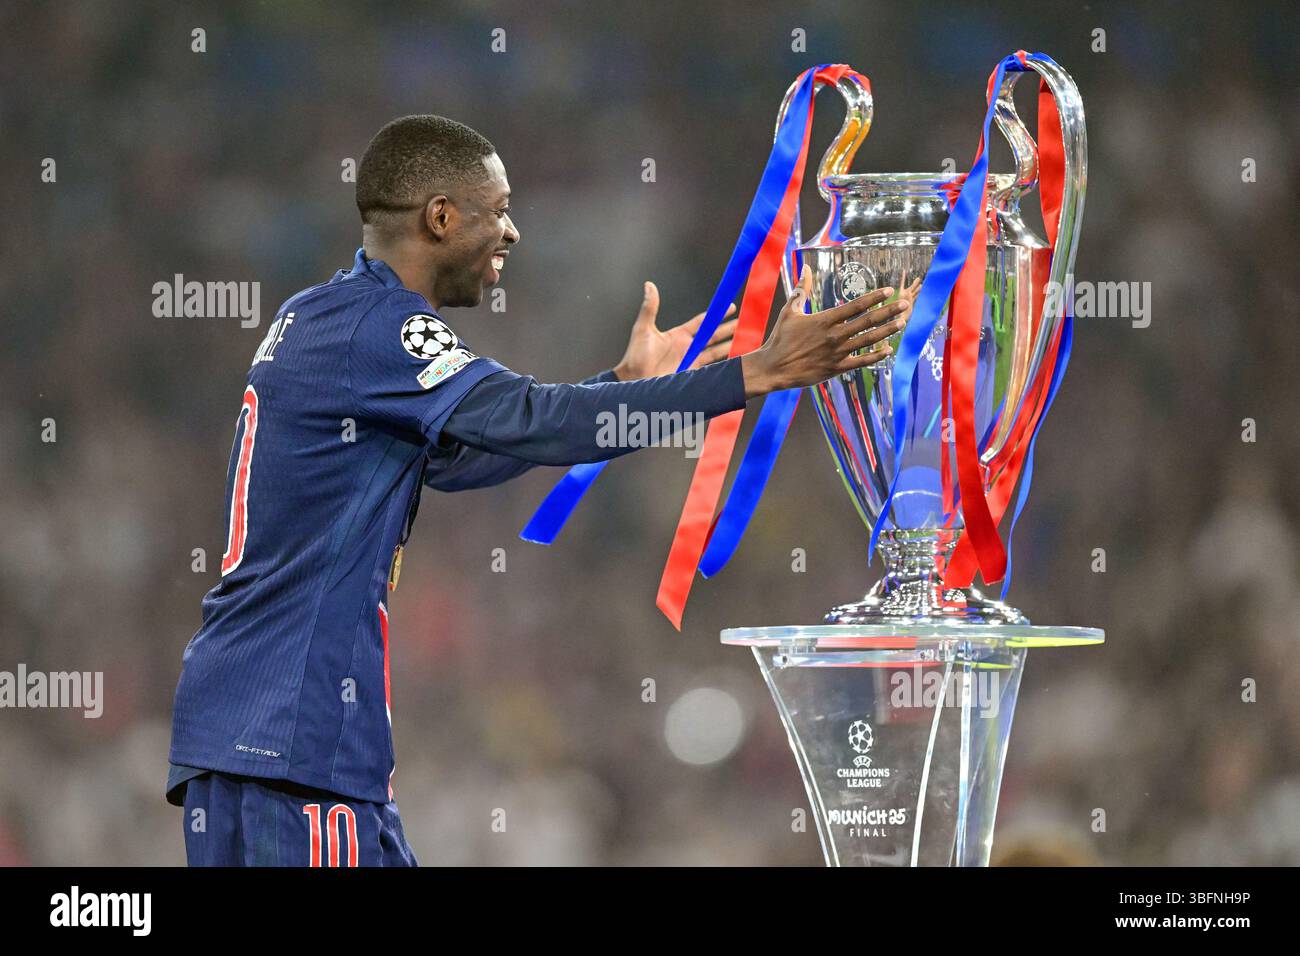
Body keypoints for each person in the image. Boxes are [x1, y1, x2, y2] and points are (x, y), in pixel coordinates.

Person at [167, 114, 911, 866]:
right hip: (290, 742)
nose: (513, 231)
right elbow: (529, 421)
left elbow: (476, 451)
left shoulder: (319, 317)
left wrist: (620, 387)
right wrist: (753, 374)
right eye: (499, 209)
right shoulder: (378, 329)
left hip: (269, 736)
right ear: (440, 217)